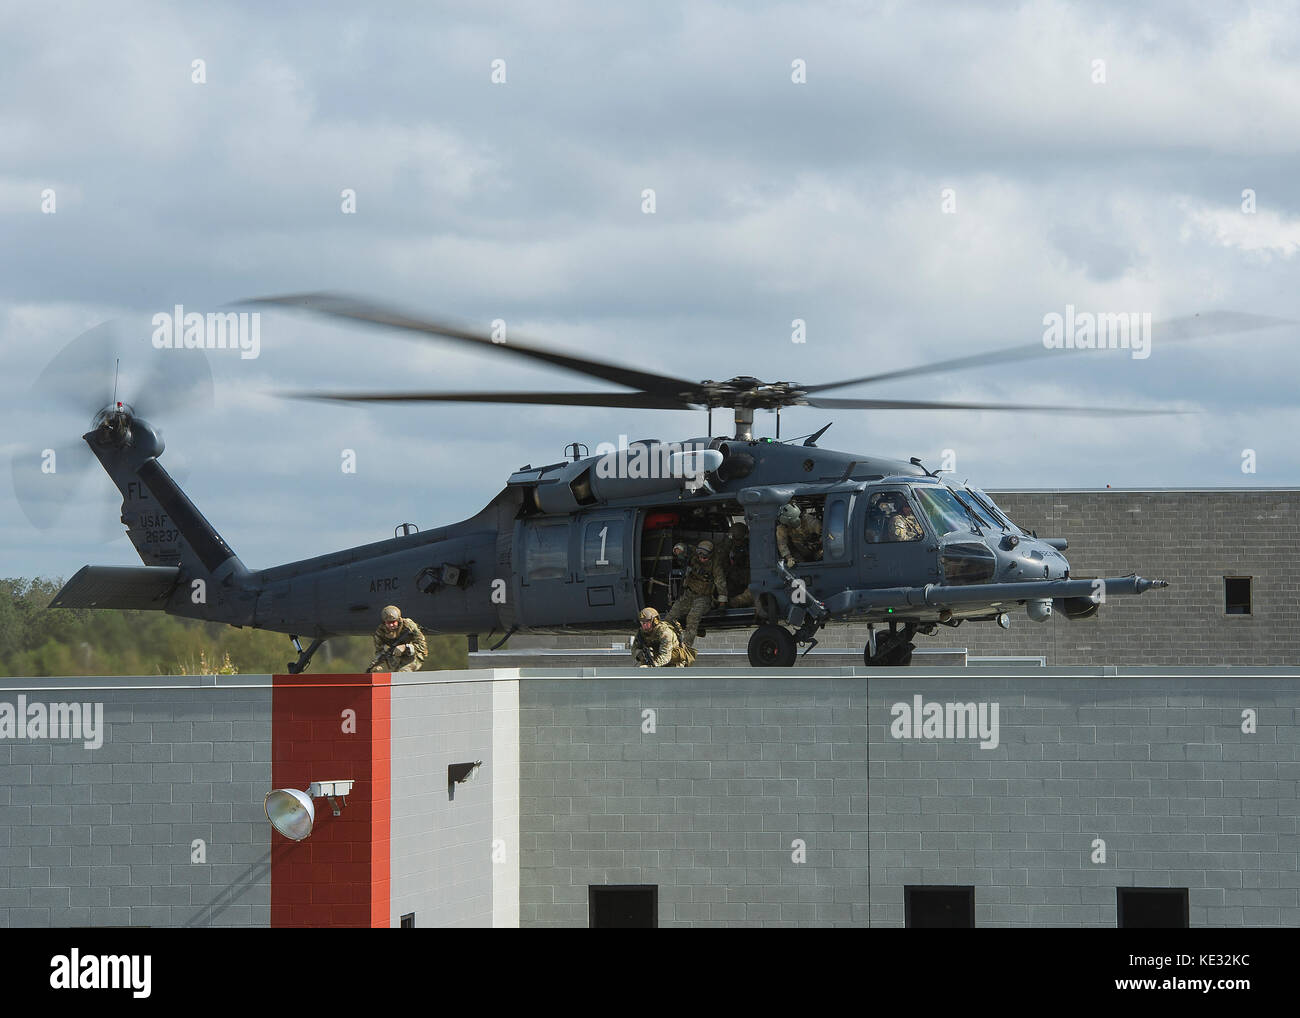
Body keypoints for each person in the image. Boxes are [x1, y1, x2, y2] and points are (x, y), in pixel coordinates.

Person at [664, 539, 726, 647]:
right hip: (689, 594)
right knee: (670, 617)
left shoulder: (715, 565)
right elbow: (684, 547)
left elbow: (720, 582)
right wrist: (679, 549)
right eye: (700, 557)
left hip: (704, 598)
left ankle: (685, 648)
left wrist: (722, 603)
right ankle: (664, 643)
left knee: (692, 618)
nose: (701, 559)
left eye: (704, 558)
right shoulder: (694, 554)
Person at [368, 604, 428, 672]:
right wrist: (377, 664)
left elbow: (422, 646)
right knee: (375, 672)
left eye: (393, 622)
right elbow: (379, 651)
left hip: (413, 656)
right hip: (394, 658)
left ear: (398, 620)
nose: (391, 625)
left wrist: (406, 647)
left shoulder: (409, 626)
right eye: (388, 622)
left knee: (401, 673)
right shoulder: (380, 632)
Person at [718, 522, 753, 608]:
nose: (737, 542)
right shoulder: (728, 544)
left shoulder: (751, 545)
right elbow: (721, 560)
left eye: (739, 540)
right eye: (735, 540)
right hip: (734, 574)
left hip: (748, 573)